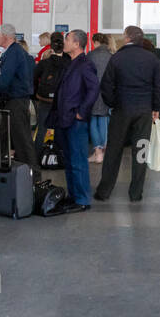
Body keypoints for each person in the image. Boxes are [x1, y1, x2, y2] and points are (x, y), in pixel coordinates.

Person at [94, 25, 160, 203]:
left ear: (127, 38)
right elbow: (158, 87)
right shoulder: (152, 59)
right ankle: (136, 193)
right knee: (141, 150)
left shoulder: (117, 58)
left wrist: (113, 103)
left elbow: (106, 86)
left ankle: (104, 191)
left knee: (114, 151)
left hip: (122, 110)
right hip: (144, 111)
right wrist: (155, 108)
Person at [0, 23, 39, 181]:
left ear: (5, 36)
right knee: (2, 138)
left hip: (16, 102)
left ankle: (34, 175)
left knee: (22, 138)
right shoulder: (15, 52)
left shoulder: (13, 54)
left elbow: (6, 80)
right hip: (14, 101)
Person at [52, 29, 98, 211]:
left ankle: (82, 199)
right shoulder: (71, 63)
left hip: (76, 120)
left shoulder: (85, 64)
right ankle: (73, 196)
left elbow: (94, 89)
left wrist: (81, 112)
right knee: (70, 160)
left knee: (78, 160)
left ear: (77, 44)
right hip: (65, 119)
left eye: (68, 39)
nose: (64, 42)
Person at [33, 31, 71, 166]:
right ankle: (60, 157)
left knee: (42, 129)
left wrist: (36, 96)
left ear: (51, 45)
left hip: (44, 101)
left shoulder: (44, 63)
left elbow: (33, 79)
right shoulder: (69, 63)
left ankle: (36, 158)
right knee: (61, 129)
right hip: (62, 102)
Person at [87, 33, 113, 163]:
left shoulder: (90, 55)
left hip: (91, 92)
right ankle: (102, 151)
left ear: (96, 42)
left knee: (92, 120)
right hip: (106, 93)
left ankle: (97, 152)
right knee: (103, 120)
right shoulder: (111, 56)